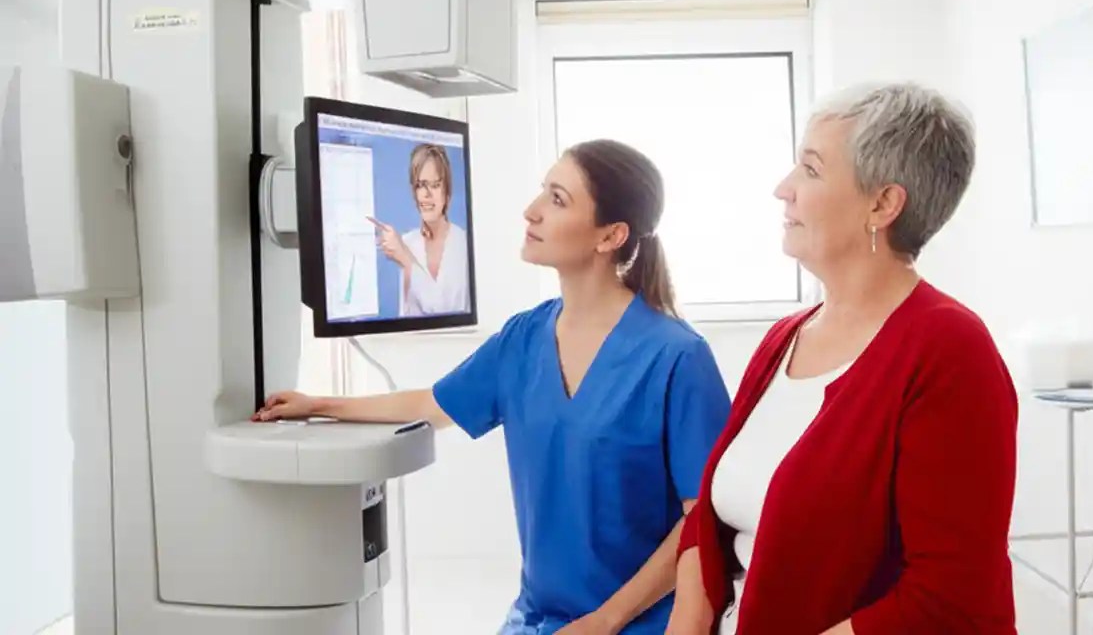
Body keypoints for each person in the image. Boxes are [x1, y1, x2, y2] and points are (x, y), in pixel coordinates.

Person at [258, 139, 732, 635]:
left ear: (610, 235)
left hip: (639, 622)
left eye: (557, 199)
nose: (531, 212)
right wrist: (318, 404)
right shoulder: (522, 339)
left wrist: (606, 620)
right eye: (541, 193)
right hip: (539, 620)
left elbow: (702, 521)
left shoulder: (677, 356)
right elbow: (431, 403)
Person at [667, 83, 1018, 635]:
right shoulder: (785, 337)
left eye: (809, 170)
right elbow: (709, 529)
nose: (783, 189)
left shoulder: (951, 351)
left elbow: (948, 599)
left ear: (882, 204)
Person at [368, 143, 471, 316]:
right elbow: (408, 318)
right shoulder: (408, 242)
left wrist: (406, 260)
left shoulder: (464, 244)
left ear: (447, 192)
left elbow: (441, 312)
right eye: (420, 185)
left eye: (435, 185)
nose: (426, 194)